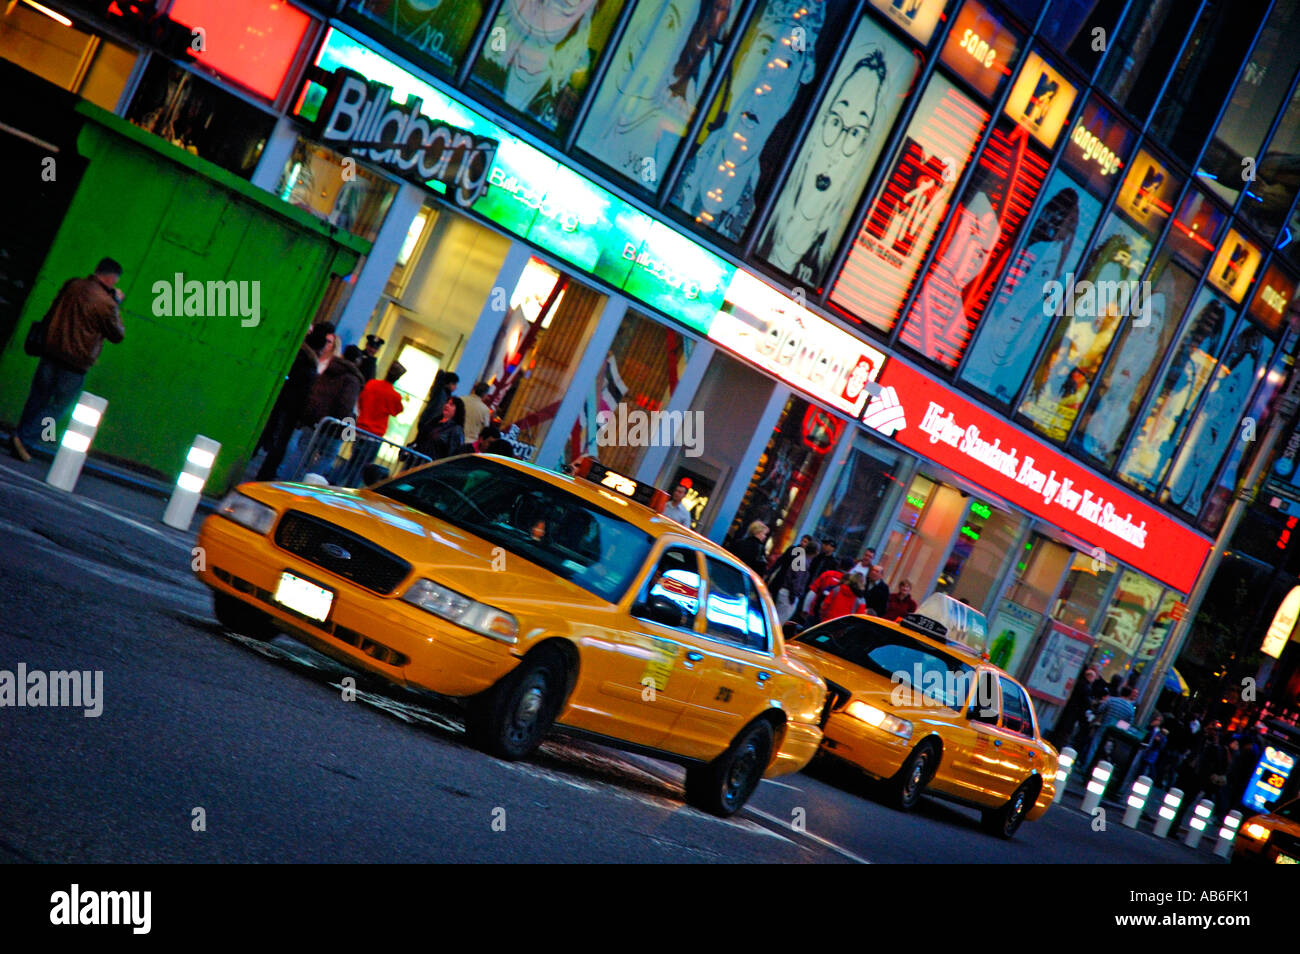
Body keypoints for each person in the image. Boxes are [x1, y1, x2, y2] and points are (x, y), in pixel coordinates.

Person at [11, 257, 125, 461]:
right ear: (110, 278)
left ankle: (21, 439)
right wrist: (116, 303)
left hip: (51, 351)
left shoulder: (73, 284)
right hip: (75, 362)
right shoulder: (106, 303)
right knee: (57, 406)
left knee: (38, 397)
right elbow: (117, 334)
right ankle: (26, 439)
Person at [256, 322, 334, 481]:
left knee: (271, 435)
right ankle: (266, 474)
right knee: (282, 441)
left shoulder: (300, 354)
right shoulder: (310, 362)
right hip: (293, 406)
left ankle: (263, 468)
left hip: (285, 401)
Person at [1082, 685, 1137, 772]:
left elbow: (1100, 710)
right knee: (1107, 753)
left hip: (1103, 727)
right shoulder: (1130, 708)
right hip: (1115, 733)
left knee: (1094, 748)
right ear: (1129, 695)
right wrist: (1118, 725)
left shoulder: (1111, 700)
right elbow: (1128, 724)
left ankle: (1086, 767)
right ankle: (1101, 769)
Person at [767, 534, 814, 623]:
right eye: (802, 541)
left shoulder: (804, 557)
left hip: (786, 583)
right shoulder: (795, 551)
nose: (802, 543)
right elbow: (781, 561)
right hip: (782, 580)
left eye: (805, 542)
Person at [413, 371, 460, 451]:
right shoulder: (441, 394)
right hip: (429, 424)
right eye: (454, 384)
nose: (456, 387)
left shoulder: (443, 394)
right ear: (449, 383)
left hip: (428, 424)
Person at [414, 396, 466, 461]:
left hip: (431, 464)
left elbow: (453, 454)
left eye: (451, 405)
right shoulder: (434, 421)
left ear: (457, 410)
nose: (447, 405)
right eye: (447, 403)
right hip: (416, 460)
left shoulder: (456, 429)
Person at [462, 381, 493, 447]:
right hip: (470, 442)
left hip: (453, 436)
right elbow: (485, 429)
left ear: (474, 389)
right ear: (485, 394)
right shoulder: (485, 410)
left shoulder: (461, 399)